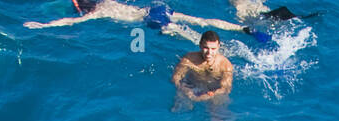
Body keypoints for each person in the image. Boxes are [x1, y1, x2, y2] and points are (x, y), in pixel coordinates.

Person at [25, 3, 251, 47]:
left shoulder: (97, 12)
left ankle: (220, 49)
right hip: (154, 8)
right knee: (199, 21)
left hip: (148, 19)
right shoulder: (106, 2)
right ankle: (241, 29)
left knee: (184, 33)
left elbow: (72, 21)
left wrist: (43, 26)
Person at [171, 31, 234, 104]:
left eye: (213, 49)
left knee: (219, 109)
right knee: (180, 103)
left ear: (218, 47)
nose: (209, 53)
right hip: (192, 86)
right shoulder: (189, 59)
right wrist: (185, 90)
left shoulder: (225, 65)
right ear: (200, 45)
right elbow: (176, 78)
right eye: (206, 48)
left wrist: (213, 94)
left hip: (213, 90)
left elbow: (226, 88)